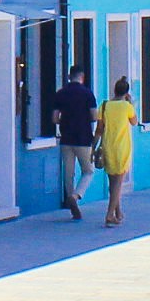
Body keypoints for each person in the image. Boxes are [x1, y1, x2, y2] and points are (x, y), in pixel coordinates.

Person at [51, 66, 100, 220]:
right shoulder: (87, 94)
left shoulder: (61, 94)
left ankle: (71, 204)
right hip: (83, 138)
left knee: (68, 173)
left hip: (66, 138)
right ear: (82, 77)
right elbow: (94, 116)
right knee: (88, 170)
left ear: (68, 76)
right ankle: (76, 195)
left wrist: (64, 121)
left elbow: (54, 118)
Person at [97, 75, 140, 227]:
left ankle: (118, 212)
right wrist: (130, 103)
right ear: (126, 92)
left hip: (108, 145)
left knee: (112, 182)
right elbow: (134, 122)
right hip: (122, 147)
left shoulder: (104, 106)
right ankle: (109, 214)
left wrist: (94, 147)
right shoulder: (127, 107)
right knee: (119, 182)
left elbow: (99, 129)